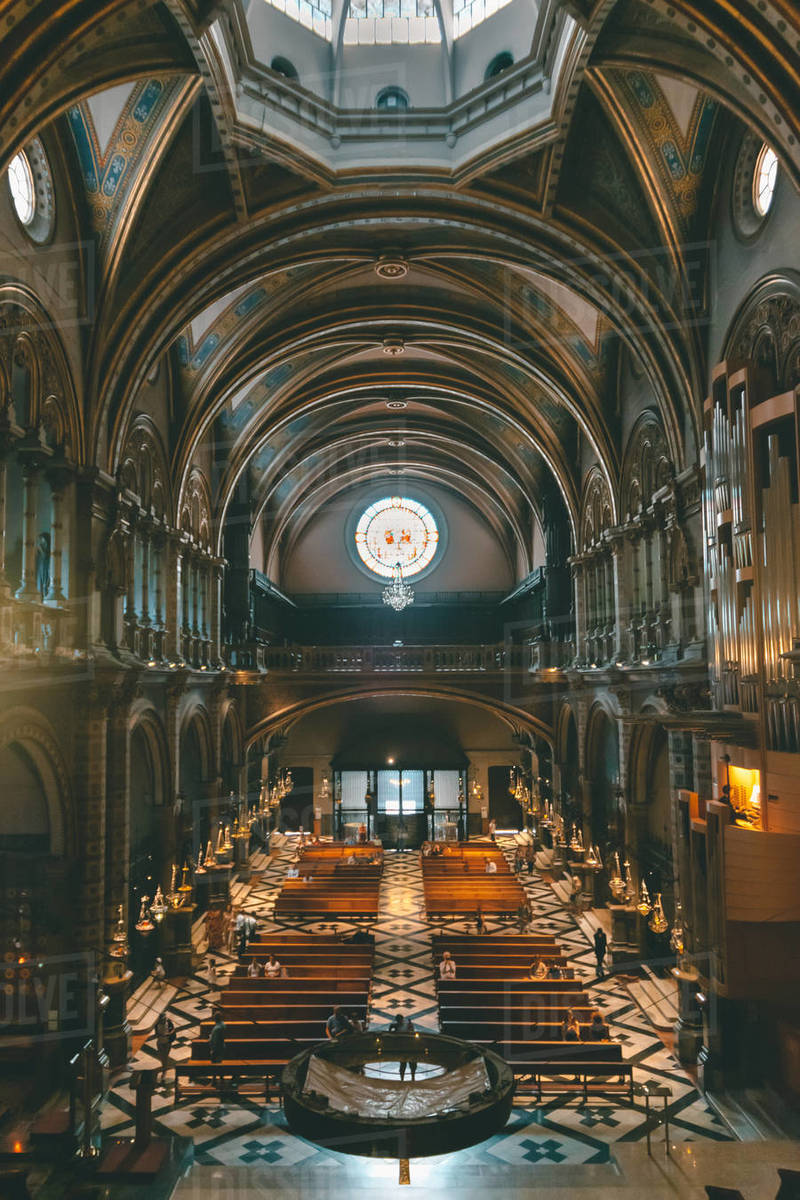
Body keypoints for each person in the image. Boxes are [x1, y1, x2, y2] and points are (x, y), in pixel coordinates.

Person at [388, 1013, 417, 1080]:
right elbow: (391, 1029)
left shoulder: (408, 1024)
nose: (399, 1022)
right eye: (398, 1021)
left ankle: (412, 1077)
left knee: (411, 1063)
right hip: (403, 1047)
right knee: (403, 1063)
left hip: (410, 1046)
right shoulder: (397, 1025)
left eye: (400, 1020)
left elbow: (412, 1031)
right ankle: (403, 1078)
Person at [154, 1010, 175, 1082]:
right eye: (162, 1019)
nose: (164, 1020)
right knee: (161, 1056)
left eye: (164, 1019)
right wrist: (159, 1035)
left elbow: (173, 1029)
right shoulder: (157, 1024)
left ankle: (164, 1070)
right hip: (160, 1042)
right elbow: (156, 1033)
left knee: (165, 1056)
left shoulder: (168, 1022)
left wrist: (169, 1034)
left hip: (167, 1042)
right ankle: (164, 1067)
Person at [209, 1012, 226, 1088]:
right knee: (220, 1063)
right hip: (222, 1046)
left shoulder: (217, 1028)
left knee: (214, 1064)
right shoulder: (223, 1025)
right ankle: (221, 1079)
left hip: (216, 1048)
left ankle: (214, 1080)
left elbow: (215, 1040)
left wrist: (212, 1049)